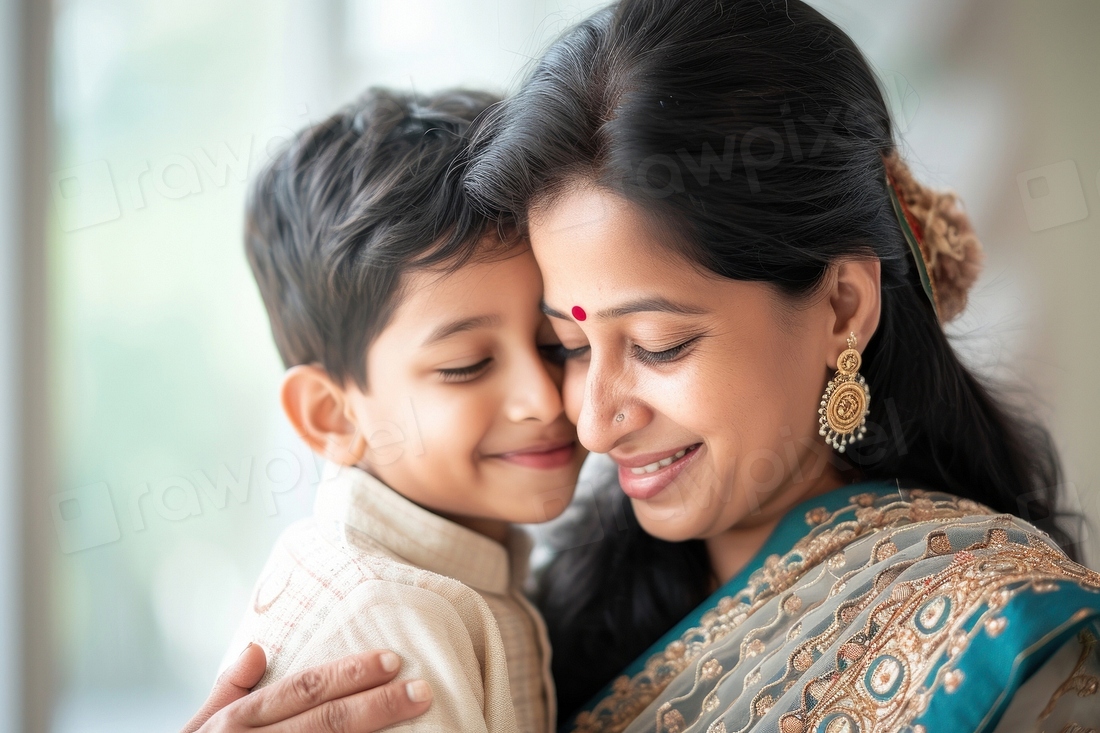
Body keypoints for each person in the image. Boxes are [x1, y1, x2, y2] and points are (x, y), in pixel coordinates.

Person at [188, 1, 1100, 731]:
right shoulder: (538, 622)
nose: (586, 418)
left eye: (660, 345)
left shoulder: (1007, 647)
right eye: (572, 346)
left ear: (841, 309)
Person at [188, 87, 588, 733]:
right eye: (466, 365)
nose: (542, 397)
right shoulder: (392, 620)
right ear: (333, 415)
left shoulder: (485, 569)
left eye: (558, 344)